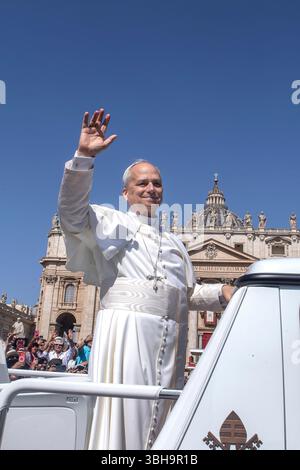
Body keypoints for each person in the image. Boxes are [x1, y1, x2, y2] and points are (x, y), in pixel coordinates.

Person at [58, 106, 234, 450]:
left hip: (170, 343)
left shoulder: (176, 244)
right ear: (126, 193)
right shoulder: (109, 222)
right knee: (122, 422)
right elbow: (71, 213)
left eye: (157, 183)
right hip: (126, 335)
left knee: (163, 424)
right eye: (143, 183)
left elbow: (187, 293)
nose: (151, 188)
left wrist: (224, 292)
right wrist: (83, 157)